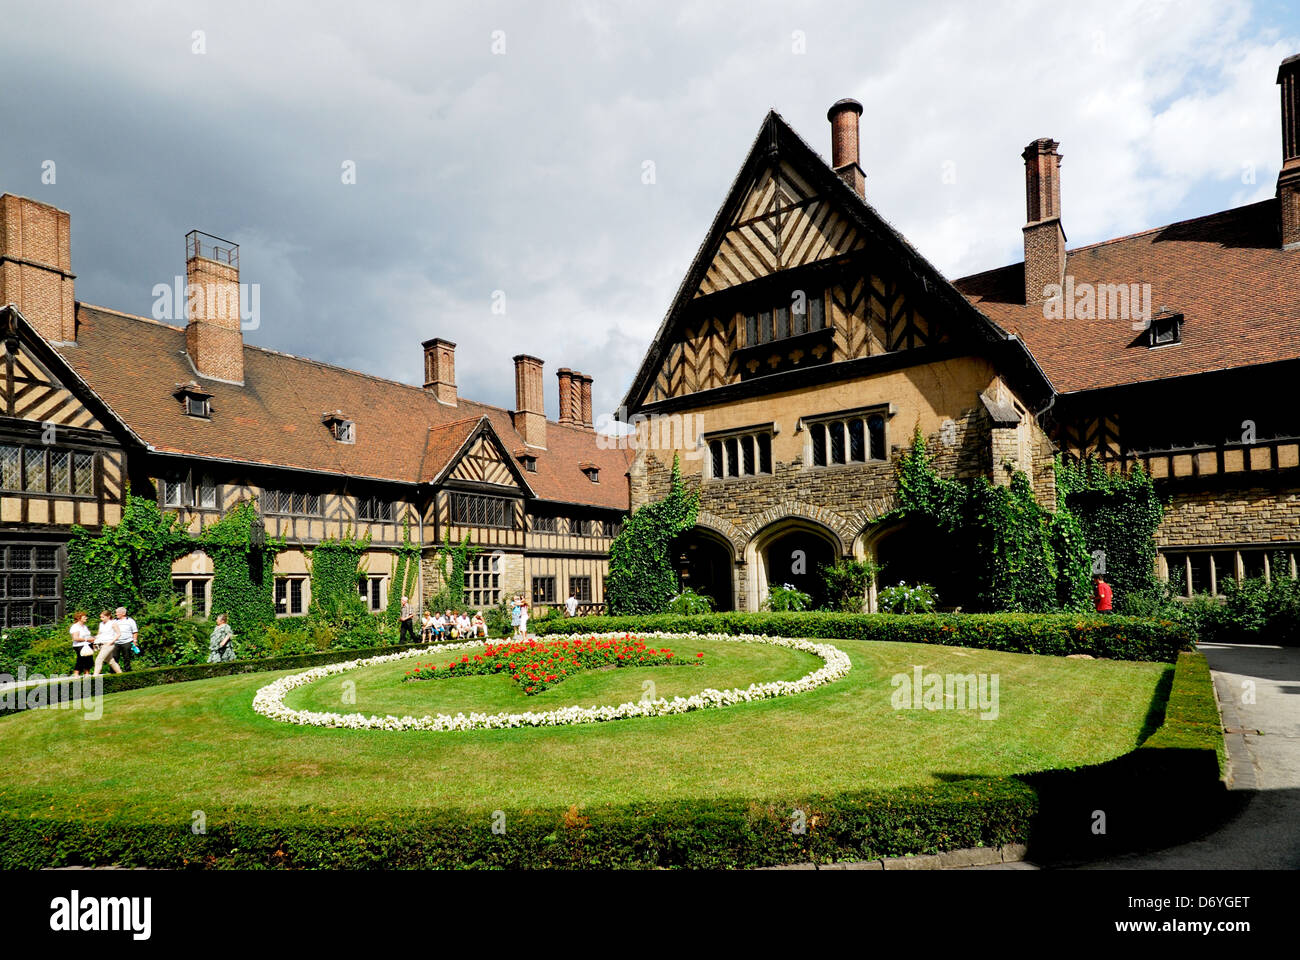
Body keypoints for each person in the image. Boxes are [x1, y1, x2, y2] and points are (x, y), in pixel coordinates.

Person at [92, 611, 120, 675]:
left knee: (99, 659)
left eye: (103, 617)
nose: (101, 618)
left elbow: (118, 634)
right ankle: (120, 674)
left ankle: (95, 676)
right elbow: (99, 634)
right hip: (102, 644)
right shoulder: (101, 624)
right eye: (101, 617)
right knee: (110, 661)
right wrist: (93, 639)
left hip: (109, 644)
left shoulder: (113, 623)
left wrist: (111, 642)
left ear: (108, 616)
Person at [69, 611, 95, 676]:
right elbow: (75, 638)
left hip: (88, 645)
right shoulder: (75, 627)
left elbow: (87, 635)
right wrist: (87, 639)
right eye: (84, 617)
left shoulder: (84, 626)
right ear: (79, 618)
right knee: (81, 660)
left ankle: (87, 674)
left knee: (89, 660)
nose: (86, 618)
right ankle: (76, 674)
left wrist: (93, 638)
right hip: (79, 645)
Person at [114, 606, 139, 671]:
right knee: (114, 658)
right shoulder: (114, 621)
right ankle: (114, 672)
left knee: (127, 658)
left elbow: (135, 631)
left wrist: (135, 641)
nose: (116, 614)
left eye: (117, 613)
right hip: (116, 642)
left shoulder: (130, 621)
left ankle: (127, 671)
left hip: (127, 642)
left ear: (123, 613)